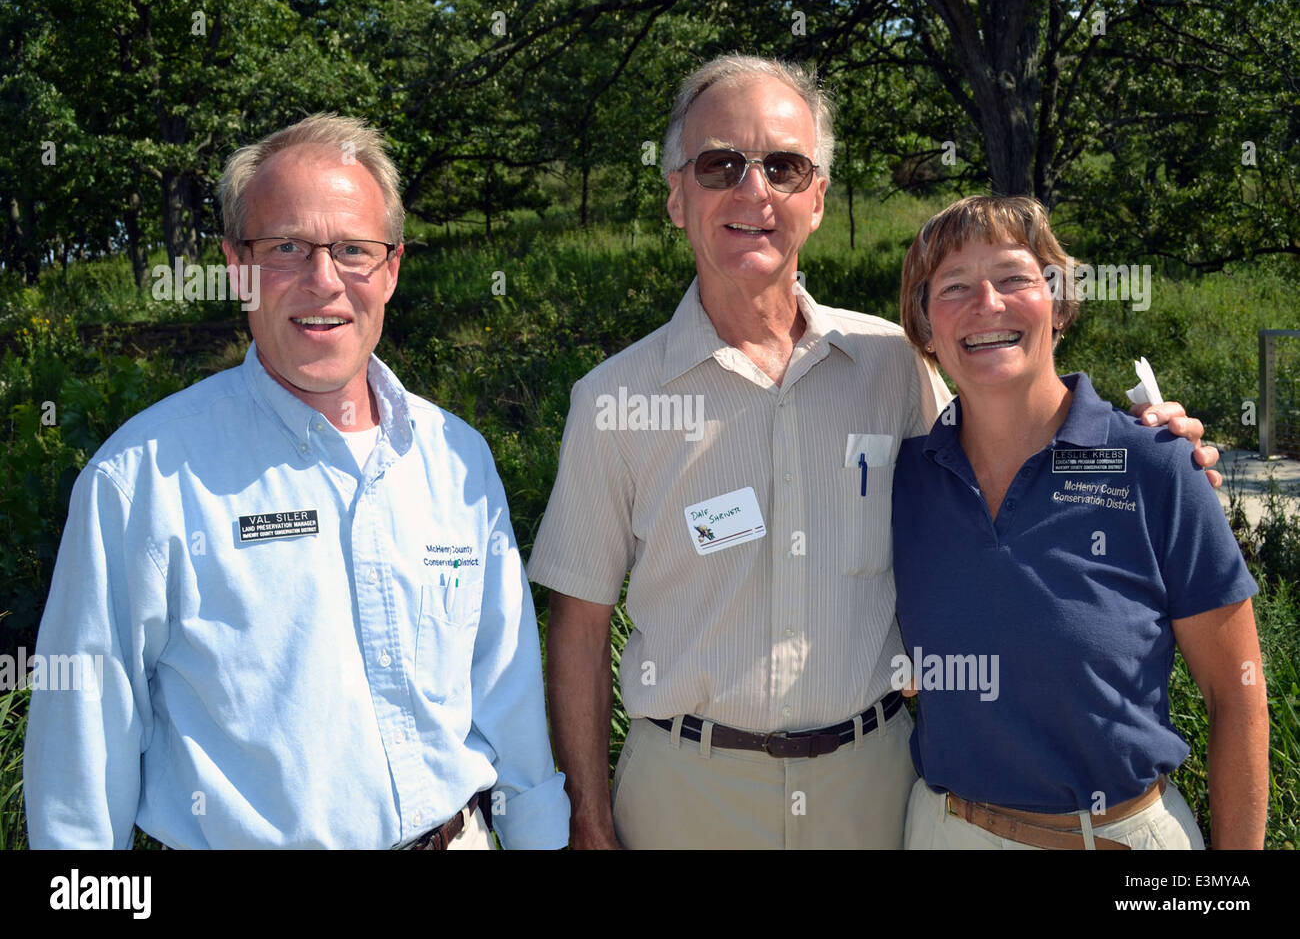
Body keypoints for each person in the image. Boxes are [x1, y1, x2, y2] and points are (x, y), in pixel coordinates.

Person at [528, 55, 1221, 849]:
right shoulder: (612, 399)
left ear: (817, 198)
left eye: (784, 167)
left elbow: (1006, 456)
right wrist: (586, 814)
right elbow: (579, 626)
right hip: (684, 793)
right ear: (676, 197)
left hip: (874, 786)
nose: (754, 193)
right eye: (721, 164)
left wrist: (1147, 447)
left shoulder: (894, 364)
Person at [23, 114, 569, 849]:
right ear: (236, 265)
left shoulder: (456, 458)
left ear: (392, 269)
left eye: (353, 250)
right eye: (286, 248)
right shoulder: (140, 480)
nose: (323, 282)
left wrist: (539, 837)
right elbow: (82, 754)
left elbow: (507, 692)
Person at [892, 195, 1269, 849]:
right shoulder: (905, 481)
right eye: (954, 286)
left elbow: (1237, 698)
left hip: (1124, 836)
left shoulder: (1153, 467)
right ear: (924, 326)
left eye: (1014, 277)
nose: (988, 302)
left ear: (1061, 303)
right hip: (947, 831)